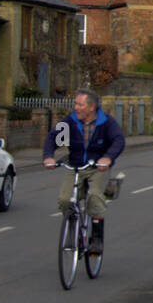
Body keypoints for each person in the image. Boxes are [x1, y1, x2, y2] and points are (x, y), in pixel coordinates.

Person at [43, 89, 126, 253]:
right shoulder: (70, 121)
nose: (76, 108)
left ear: (91, 107)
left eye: (80, 104)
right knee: (65, 200)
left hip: (97, 168)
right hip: (75, 166)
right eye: (76, 104)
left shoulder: (106, 122)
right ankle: (72, 232)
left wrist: (108, 158)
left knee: (95, 196)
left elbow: (118, 140)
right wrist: (48, 156)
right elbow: (53, 137)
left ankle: (96, 239)